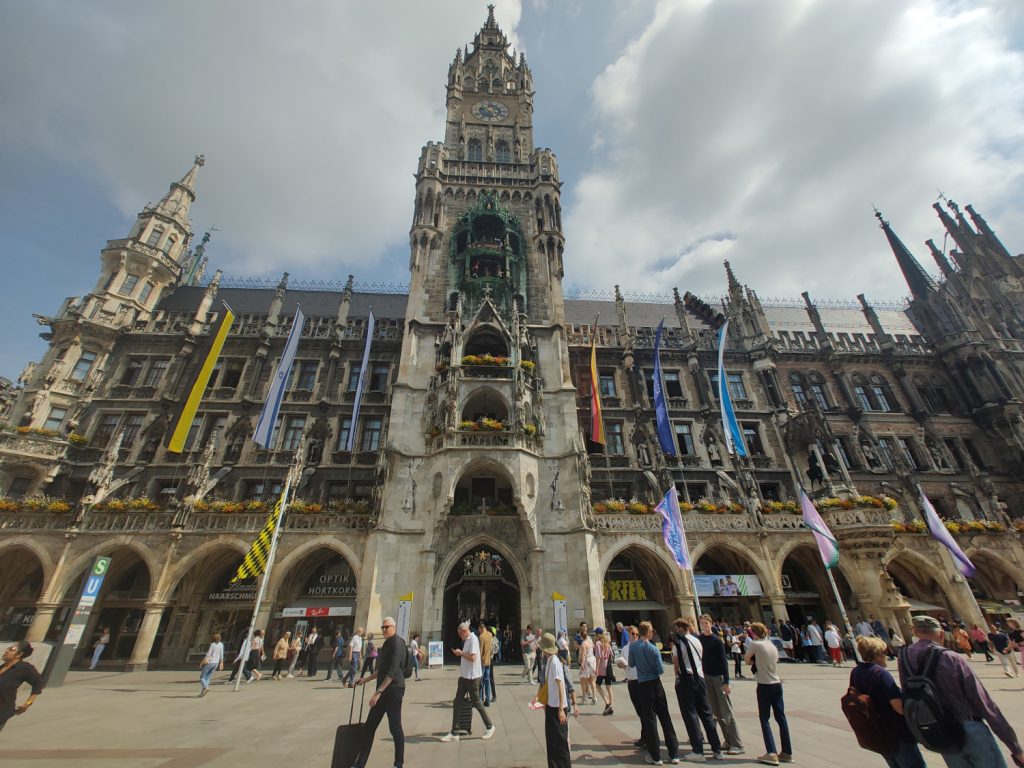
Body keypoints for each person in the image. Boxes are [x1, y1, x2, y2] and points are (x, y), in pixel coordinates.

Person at [900, 615, 1022, 768]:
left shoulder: (904, 657)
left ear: (915, 632)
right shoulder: (951, 657)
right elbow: (983, 702)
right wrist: (1015, 747)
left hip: (941, 732)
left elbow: (907, 692)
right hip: (969, 727)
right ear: (941, 633)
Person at [850, 635, 925, 768]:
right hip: (896, 732)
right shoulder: (881, 674)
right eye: (884, 652)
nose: (886, 655)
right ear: (877, 655)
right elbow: (898, 707)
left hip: (878, 730)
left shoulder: (856, 672)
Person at [352, 616, 406, 768]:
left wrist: (378, 693)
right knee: (369, 727)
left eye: (387, 627)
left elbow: (393, 671)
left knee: (395, 728)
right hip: (382, 691)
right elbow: (381, 670)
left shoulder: (398, 643)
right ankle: (360, 764)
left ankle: (398, 764)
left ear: (394, 627)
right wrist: (365, 680)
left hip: (393, 691)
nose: (384, 630)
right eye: (383, 627)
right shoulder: (386, 643)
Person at [672, 617, 723, 762]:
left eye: (677, 628)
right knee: (706, 714)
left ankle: (698, 751)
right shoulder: (697, 641)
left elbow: (676, 664)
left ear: (680, 628)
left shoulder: (678, 643)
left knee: (690, 715)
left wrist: (677, 677)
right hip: (700, 679)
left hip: (686, 679)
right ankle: (717, 749)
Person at [629, 620, 679, 766]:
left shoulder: (633, 647)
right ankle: (674, 754)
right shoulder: (654, 649)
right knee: (665, 718)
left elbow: (631, 664)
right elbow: (661, 670)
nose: (652, 633)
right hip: (656, 685)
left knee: (650, 721)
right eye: (651, 631)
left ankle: (656, 756)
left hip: (643, 686)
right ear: (647, 632)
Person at [745, 621, 792, 766]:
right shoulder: (771, 645)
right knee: (781, 718)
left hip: (764, 685)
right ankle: (787, 752)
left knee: (764, 719)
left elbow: (747, 660)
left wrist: (753, 659)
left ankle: (771, 753)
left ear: (754, 633)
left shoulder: (755, 644)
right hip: (777, 684)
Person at [441, 621, 496, 742]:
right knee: (457, 702)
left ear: (465, 631)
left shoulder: (473, 640)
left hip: (472, 677)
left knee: (477, 702)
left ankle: (490, 726)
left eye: (460, 633)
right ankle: (454, 732)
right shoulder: (467, 640)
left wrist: (461, 653)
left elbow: (473, 658)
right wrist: (461, 653)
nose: (459, 636)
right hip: (464, 677)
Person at [698, 615, 744, 755]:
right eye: (702, 623)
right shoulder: (700, 640)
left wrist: (726, 681)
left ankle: (737, 744)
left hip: (718, 678)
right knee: (717, 712)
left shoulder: (717, 641)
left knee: (726, 711)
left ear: (711, 624)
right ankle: (728, 741)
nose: (704, 625)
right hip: (706, 677)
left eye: (706, 623)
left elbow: (724, 662)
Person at [537, 632, 571, 768]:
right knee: (552, 743)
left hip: (557, 708)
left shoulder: (555, 662)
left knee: (560, 744)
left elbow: (561, 685)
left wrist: (561, 709)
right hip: (551, 706)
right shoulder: (549, 661)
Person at [0, 641, 42, 733]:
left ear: (19, 654)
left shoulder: (24, 668)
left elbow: (38, 683)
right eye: (8, 648)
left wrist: (27, 704)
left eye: (12, 649)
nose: (7, 651)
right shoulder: (2, 667)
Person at [593, 627, 614, 716]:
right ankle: (611, 705)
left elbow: (598, 657)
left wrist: (596, 668)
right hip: (608, 667)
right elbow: (611, 655)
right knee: (609, 686)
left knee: (597, 685)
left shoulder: (598, 643)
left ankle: (607, 703)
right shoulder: (607, 643)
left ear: (597, 634)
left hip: (601, 668)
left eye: (595, 634)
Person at [198, 632, 224, 696]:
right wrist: (221, 662)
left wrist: (202, 662)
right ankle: (203, 692)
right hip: (216, 663)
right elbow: (221, 654)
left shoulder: (213, 645)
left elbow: (208, 654)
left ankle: (206, 687)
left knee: (202, 677)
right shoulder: (221, 644)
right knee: (207, 677)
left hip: (210, 662)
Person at [577, 625, 596, 705]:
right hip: (592, 660)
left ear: (581, 636)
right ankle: (594, 697)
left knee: (583, 681)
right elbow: (593, 648)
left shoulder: (583, 644)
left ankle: (584, 698)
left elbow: (584, 654)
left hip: (586, 662)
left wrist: (582, 664)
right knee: (592, 681)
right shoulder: (590, 642)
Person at [478, 621, 495, 706]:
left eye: (479, 630)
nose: (479, 631)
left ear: (481, 628)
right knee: (487, 680)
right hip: (488, 661)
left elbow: (480, 651)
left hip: (482, 662)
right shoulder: (490, 634)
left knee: (480, 681)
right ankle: (488, 699)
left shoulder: (481, 637)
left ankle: (480, 699)